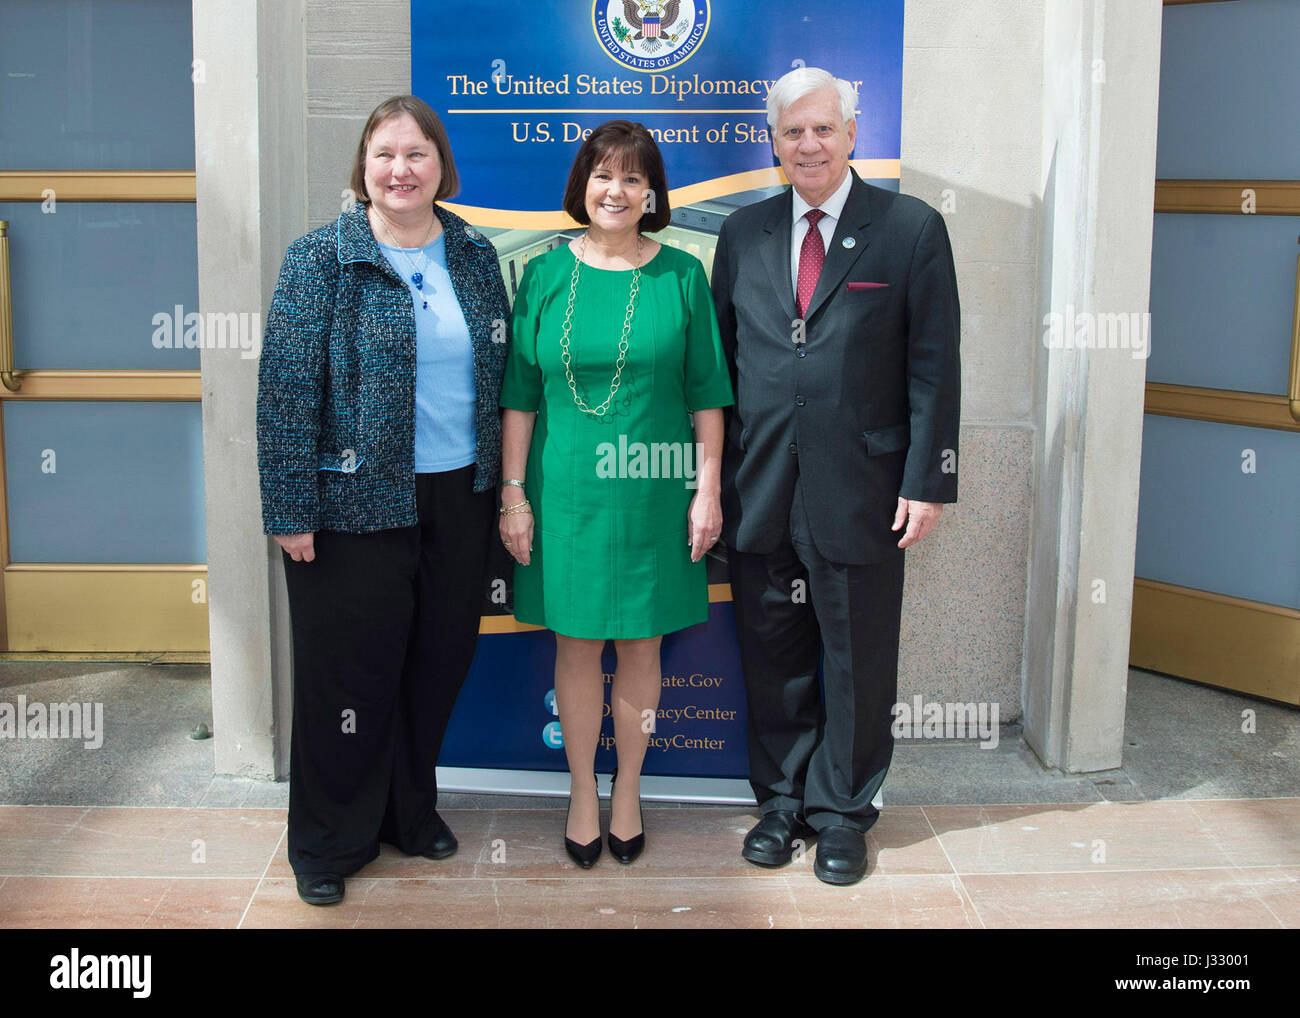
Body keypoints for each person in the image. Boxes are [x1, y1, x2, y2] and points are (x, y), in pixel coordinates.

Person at [256, 95, 510, 905]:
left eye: (417, 154)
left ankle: (410, 811)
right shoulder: (319, 259)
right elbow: (286, 393)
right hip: (350, 505)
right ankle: (328, 843)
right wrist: (290, 508)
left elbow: (502, 379)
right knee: (347, 682)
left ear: (442, 166)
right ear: (362, 168)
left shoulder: (472, 252)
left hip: (459, 497)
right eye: (384, 155)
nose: (400, 169)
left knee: (437, 663)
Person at [710, 67, 961, 885]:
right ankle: (780, 804)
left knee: (857, 657)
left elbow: (933, 367)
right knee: (772, 651)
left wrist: (927, 479)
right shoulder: (741, 234)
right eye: (792, 132)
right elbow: (719, 367)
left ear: (853, 135)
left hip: (864, 490)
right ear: (773, 141)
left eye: (823, 129)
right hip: (760, 486)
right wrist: (707, 480)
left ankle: (845, 812)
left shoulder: (911, 228)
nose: (808, 144)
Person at [499, 120, 733, 868]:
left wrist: (708, 493)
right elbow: (518, 397)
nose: (617, 190)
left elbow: (707, 396)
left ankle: (627, 790)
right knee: (575, 645)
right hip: (563, 492)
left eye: (633, 178)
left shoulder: (680, 276)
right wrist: (512, 494)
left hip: (657, 490)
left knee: (640, 644)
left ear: (652, 193)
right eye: (604, 175)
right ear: (582, 186)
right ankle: (579, 792)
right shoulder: (542, 275)